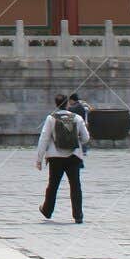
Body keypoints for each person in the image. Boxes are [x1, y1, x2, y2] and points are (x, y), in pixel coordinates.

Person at [34, 94, 89, 225]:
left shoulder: (51, 118)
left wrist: (39, 159)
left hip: (55, 157)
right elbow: (86, 138)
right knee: (75, 186)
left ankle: (47, 210)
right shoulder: (77, 118)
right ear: (68, 104)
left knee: (53, 185)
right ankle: (78, 215)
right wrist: (76, 141)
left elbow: (44, 138)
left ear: (56, 104)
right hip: (73, 157)